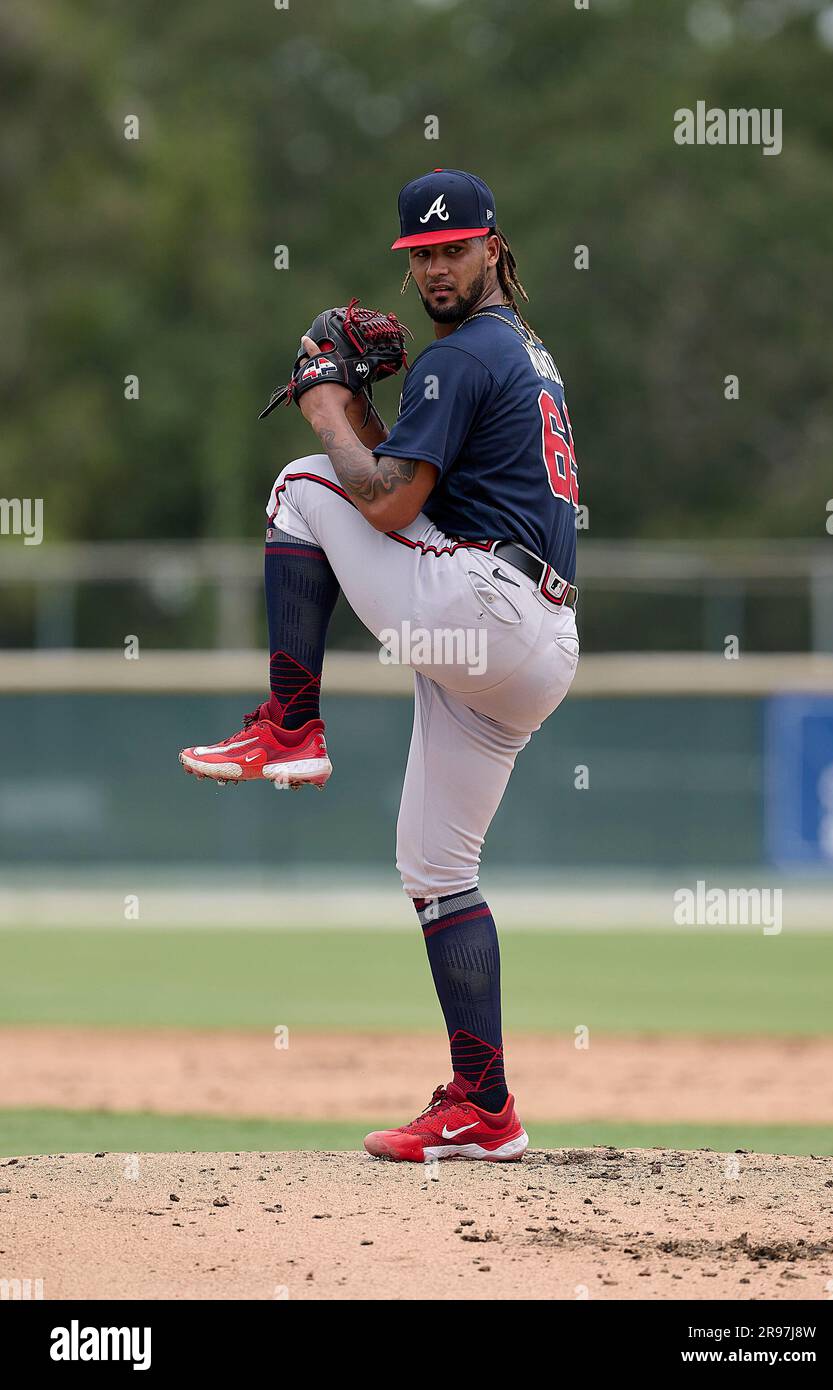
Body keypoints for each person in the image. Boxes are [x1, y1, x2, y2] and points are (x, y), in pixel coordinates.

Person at [180, 169, 580, 1162]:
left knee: (295, 483)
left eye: (454, 248)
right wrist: (357, 410)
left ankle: (290, 721)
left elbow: (385, 505)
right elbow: (407, 493)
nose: (438, 266)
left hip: (483, 608)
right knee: (435, 868)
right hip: (529, 642)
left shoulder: (462, 358)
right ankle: (483, 1104)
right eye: (422, 254)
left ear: (493, 246)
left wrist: (322, 398)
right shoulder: (521, 354)